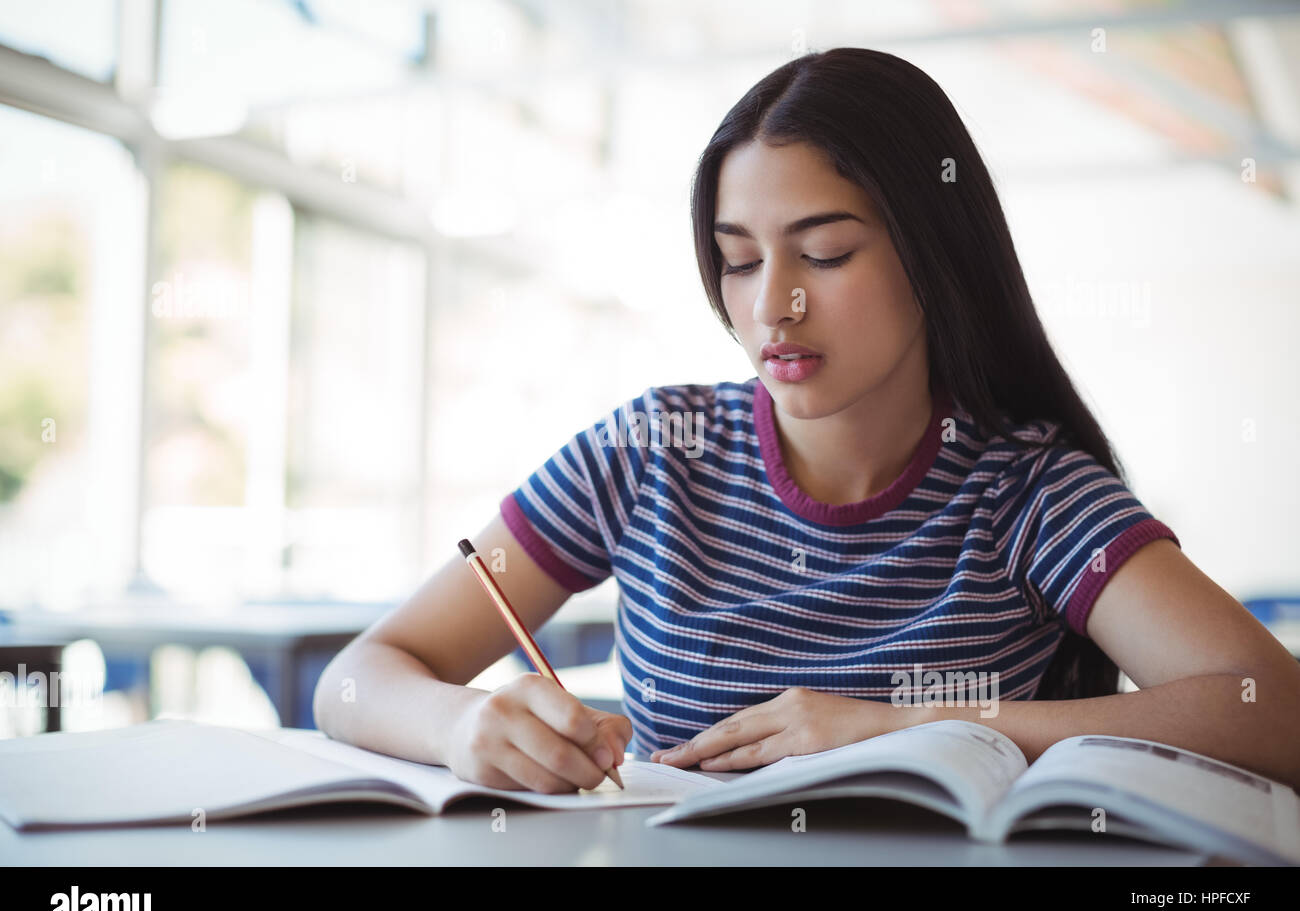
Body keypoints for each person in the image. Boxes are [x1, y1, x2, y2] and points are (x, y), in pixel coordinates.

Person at [313, 48, 1300, 795]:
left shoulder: (1022, 486)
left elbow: (1274, 707)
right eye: (738, 259)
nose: (770, 306)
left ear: (932, 254)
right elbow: (356, 679)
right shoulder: (654, 450)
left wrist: (911, 724)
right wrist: (458, 727)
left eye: (822, 253)